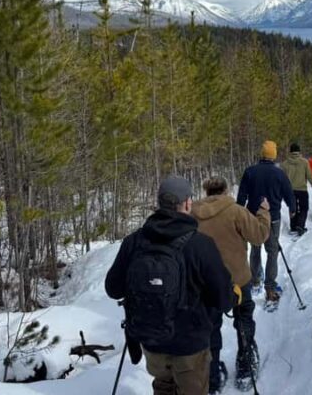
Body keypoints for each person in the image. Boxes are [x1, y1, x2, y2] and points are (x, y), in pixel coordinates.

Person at [105, 176, 236, 395]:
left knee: (163, 386)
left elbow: (113, 289)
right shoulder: (200, 244)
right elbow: (223, 300)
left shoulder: (134, 242)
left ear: (159, 203)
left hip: (152, 341)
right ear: (187, 203)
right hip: (190, 346)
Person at [192, 177, 271, 393]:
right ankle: (246, 367)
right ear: (226, 190)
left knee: (210, 327)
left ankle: (212, 377)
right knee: (244, 319)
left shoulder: (193, 214)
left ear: (206, 191)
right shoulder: (235, 211)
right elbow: (259, 236)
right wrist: (264, 212)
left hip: (205, 282)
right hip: (237, 279)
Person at [237, 140, 295, 304]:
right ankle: (270, 288)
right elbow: (288, 193)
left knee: (255, 249)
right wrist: (292, 208)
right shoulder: (279, 173)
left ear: (262, 154)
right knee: (272, 251)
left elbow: (241, 196)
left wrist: (238, 212)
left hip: (253, 217)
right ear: (273, 155)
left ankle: (255, 281)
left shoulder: (250, 171)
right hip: (273, 217)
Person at [280, 143, 312, 236]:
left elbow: (281, 178)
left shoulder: (284, 164)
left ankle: (293, 227)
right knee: (304, 208)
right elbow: (309, 175)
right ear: (299, 151)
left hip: (290, 190)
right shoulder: (304, 162)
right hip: (302, 189)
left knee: (293, 208)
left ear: (290, 151)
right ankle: (300, 225)